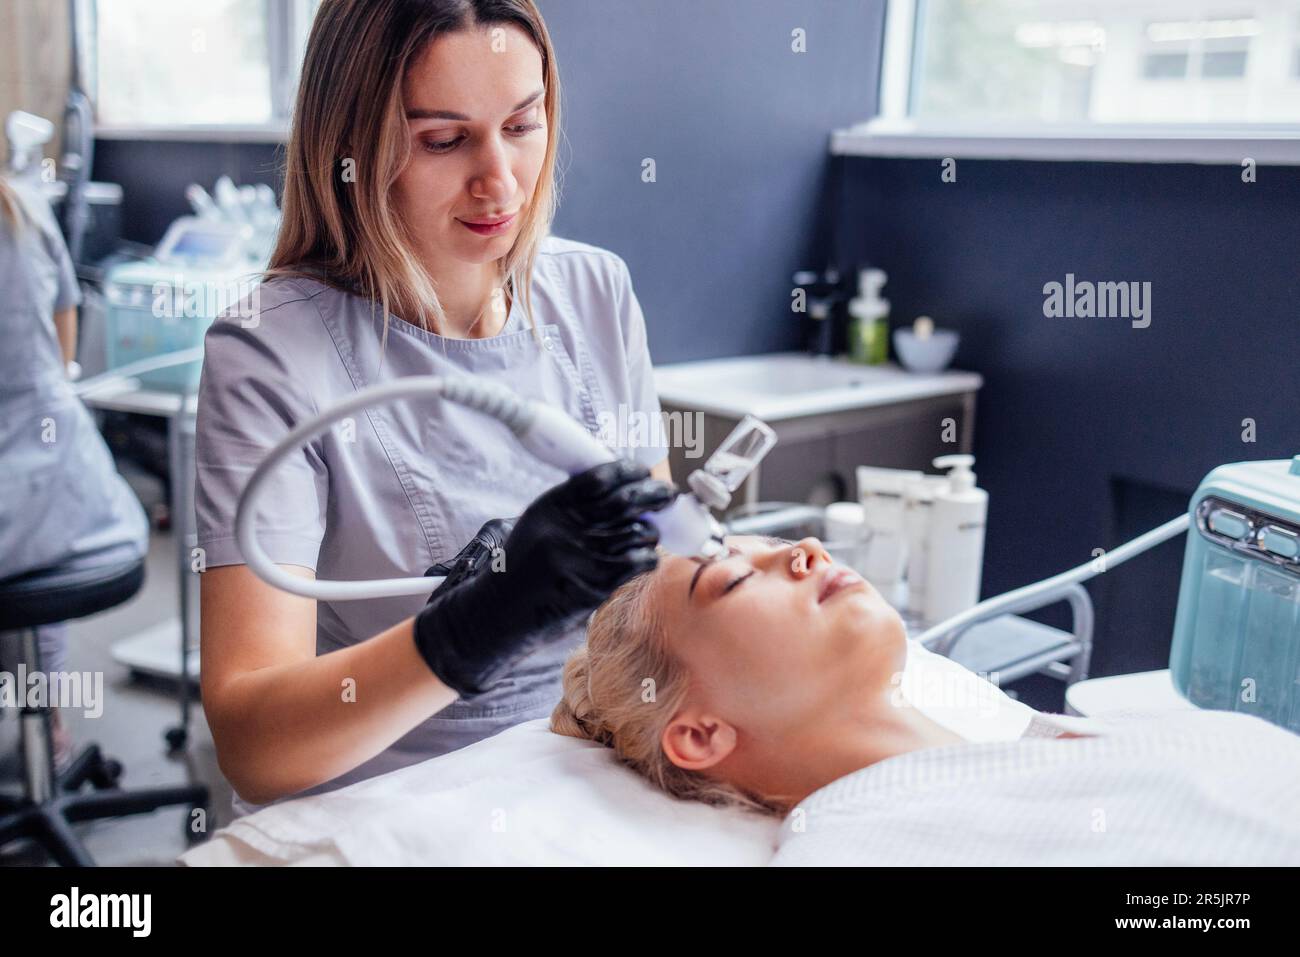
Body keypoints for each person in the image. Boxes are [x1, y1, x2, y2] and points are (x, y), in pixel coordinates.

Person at [196, 0, 674, 815]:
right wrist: (477, 622)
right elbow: (253, 746)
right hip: (389, 810)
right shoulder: (270, 351)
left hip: (581, 787)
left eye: (523, 124)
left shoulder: (594, 291)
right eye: (443, 140)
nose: (500, 180)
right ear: (351, 150)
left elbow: (663, 572)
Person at [551, 535, 1300, 865]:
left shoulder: (1079, 749)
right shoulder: (864, 851)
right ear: (701, 733)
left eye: (771, 539)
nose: (803, 546)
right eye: (736, 577)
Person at [0, 172, 148, 766]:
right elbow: (66, 319)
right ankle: (47, 724)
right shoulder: (23, 204)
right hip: (73, 488)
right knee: (41, 554)